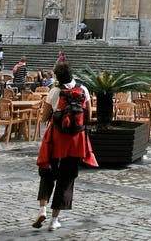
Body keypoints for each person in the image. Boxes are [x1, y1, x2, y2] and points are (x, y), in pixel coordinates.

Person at [32, 61, 97, 231]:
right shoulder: (83, 90)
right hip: (76, 140)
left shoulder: (54, 91)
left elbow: (45, 117)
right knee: (67, 178)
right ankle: (54, 220)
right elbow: (89, 114)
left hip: (56, 138)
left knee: (47, 172)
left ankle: (42, 209)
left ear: (57, 76)